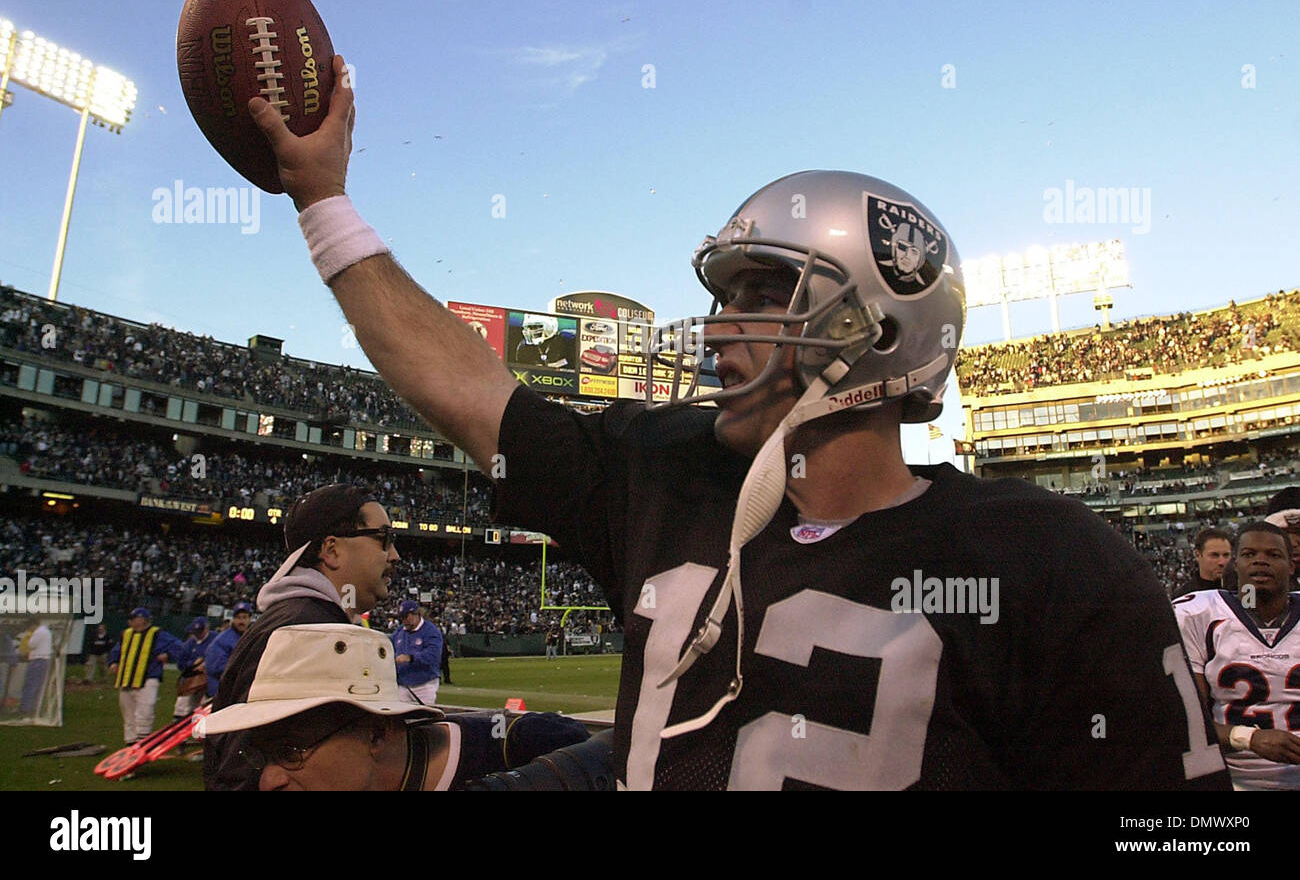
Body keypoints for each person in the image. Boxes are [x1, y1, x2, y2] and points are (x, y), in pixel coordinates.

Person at [246, 63, 1229, 790]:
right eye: (725, 292)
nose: (720, 323)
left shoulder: (1047, 558)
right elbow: (469, 388)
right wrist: (326, 205)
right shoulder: (660, 478)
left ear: (875, 329)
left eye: (764, 292)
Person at [198, 623, 610, 790]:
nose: (268, 781)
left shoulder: (527, 746)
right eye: (260, 754)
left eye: (290, 753)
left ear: (378, 732)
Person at [203, 483, 400, 790]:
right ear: (331, 550)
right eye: (384, 539)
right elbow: (240, 770)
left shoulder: (302, 618)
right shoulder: (309, 629)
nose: (395, 556)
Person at [1174, 521, 1300, 790]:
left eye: (1273, 555)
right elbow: (1185, 720)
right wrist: (1247, 738)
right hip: (1234, 780)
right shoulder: (1199, 615)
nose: (1260, 562)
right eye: (1249, 554)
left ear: (1291, 565)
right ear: (1236, 564)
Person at [108, 608, 184, 744]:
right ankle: (130, 742)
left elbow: (179, 646)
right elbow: (117, 650)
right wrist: (113, 662)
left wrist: (168, 655)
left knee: (145, 711)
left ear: (142, 619)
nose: (130, 621)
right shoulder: (126, 634)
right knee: (128, 713)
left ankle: (143, 741)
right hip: (126, 679)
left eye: (133, 618)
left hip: (148, 678)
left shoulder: (157, 634)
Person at [390, 601, 442, 704]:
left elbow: (433, 656)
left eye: (406, 617)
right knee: (400, 716)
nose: (404, 621)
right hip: (403, 684)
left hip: (424, 684)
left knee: (424, 716)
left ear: (416, 614)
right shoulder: (400, 631)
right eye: (402, 617)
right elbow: (388, 645)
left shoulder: (430, 631)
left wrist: (411, 658)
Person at [203, 604, 251, 700]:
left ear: (250, 619)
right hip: (220, 694)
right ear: (233, 619)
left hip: (239, 693)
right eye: (238, 618)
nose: (241, 621)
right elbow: (215, 668)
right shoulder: (222, 639)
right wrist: (244, 671)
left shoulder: (250, 636)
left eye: (244, 617)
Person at [172, 618, 213, 718]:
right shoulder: (189, 644)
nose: (198, 634)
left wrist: (205, 663)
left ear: (207, 628)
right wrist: (193, 664)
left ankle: (201, 731)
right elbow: (180, 664)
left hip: (209, 679)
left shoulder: (215, 639)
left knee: (206, 710)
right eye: (195, 632)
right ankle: (179, 731)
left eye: (200, 631)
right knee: (182, 708)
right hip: (191, 678)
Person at [1175, 528, 1233, 597]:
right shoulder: (1184, 596)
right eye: (1214, 555)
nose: (1222, 562)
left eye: (1226, 555)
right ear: (1197, 555)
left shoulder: (1241, 592)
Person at [19, 619, 51, 719]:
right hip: (44, 660)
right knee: (37, 684)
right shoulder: (46, 631)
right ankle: (34, 706)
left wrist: (29, 638)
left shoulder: (38, 632)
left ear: (33, 625)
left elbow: (31, 645)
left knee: (30, 684)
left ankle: (25, 708)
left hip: (37, 660)